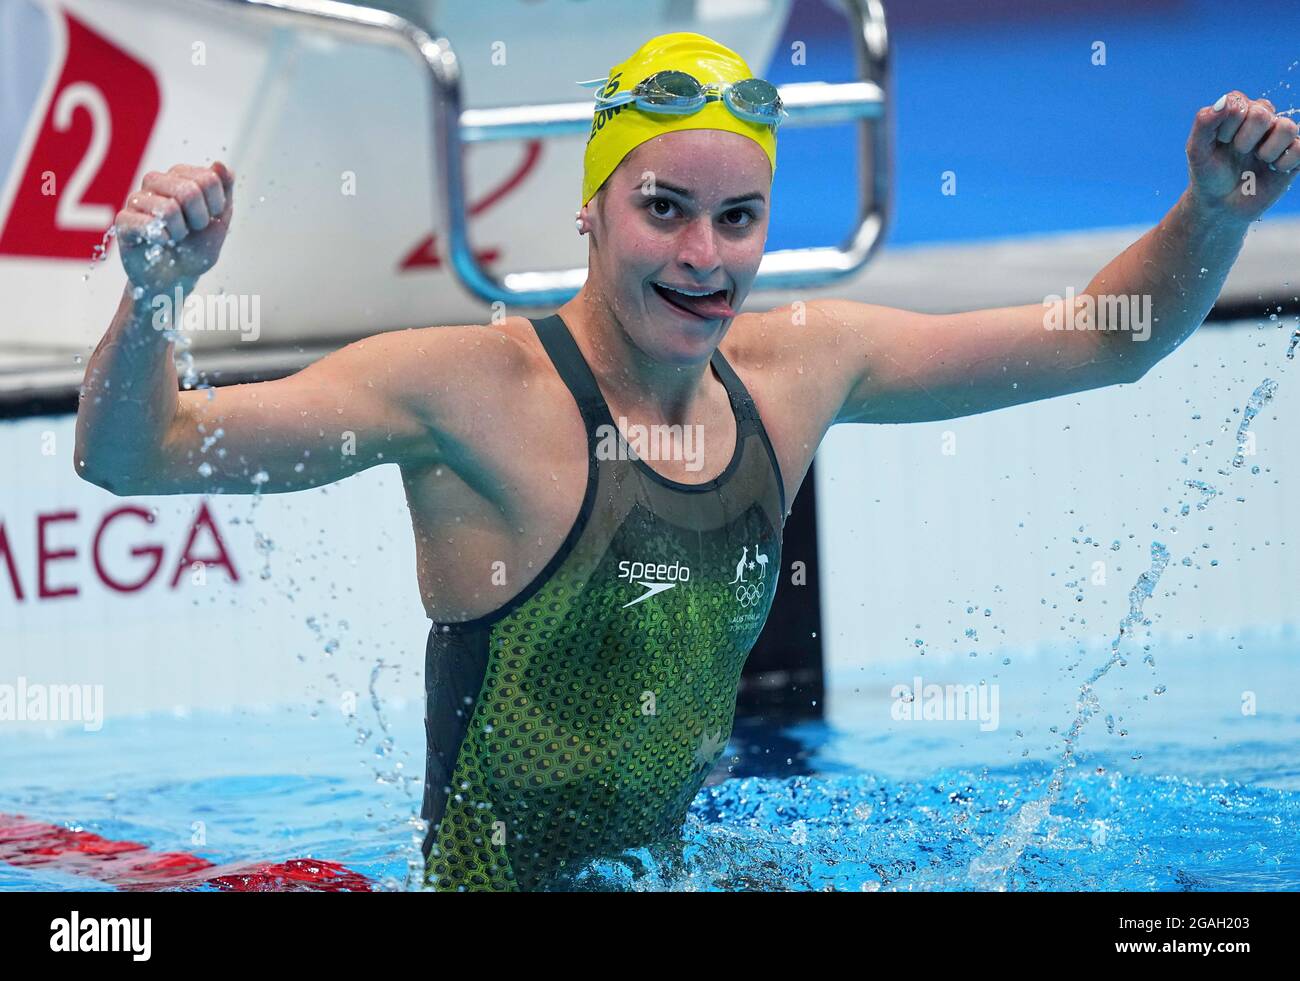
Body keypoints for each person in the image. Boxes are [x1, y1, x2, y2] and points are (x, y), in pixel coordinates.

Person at [74, 31, 1300, 890]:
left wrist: (1212, 215)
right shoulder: (464, 394)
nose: (704, 255)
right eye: (663, 209)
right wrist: (158, 300)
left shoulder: (799, 371)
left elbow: (1102, 346)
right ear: (592, 209)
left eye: (737, 217)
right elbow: (136, 457)